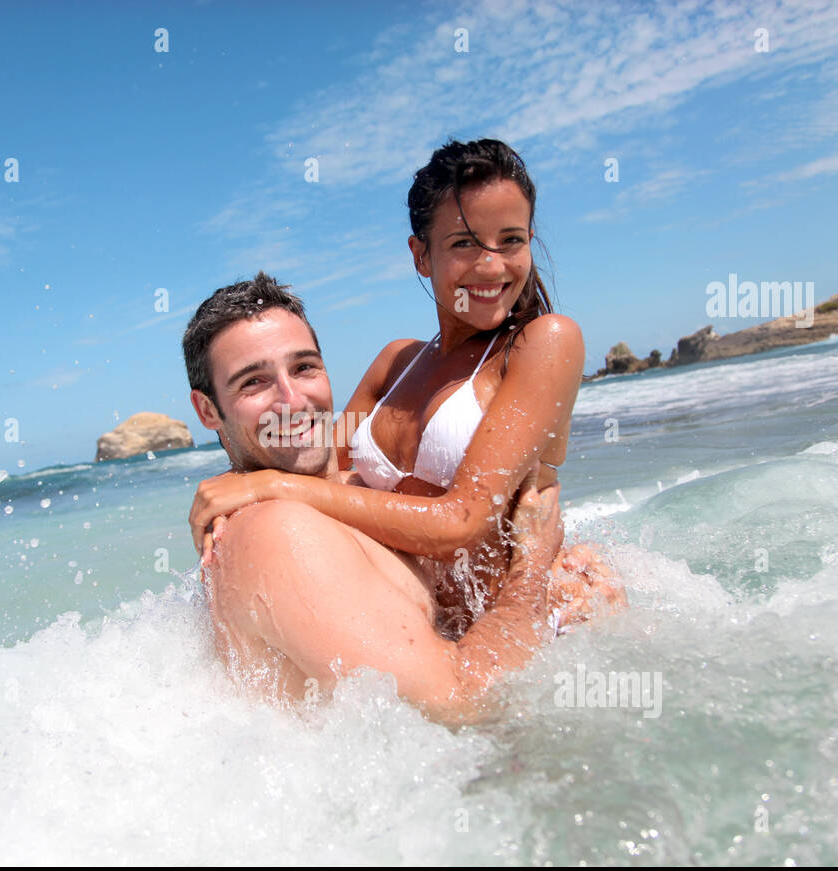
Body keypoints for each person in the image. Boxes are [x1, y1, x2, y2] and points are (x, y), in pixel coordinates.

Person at [189, 139, 607, 634]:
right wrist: (235, 500)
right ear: (421, 255)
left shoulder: (544, 344)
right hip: (433, 642)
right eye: (464, 243)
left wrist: (263, 486)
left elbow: (462, 522)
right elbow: (319, 472)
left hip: (537, 630)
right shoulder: (396, 363)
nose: (492, 265)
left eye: (511, 240)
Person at [183, 274, 621, 725]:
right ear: (208, 410)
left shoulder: (348, 493)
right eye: (253, 382)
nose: (292, 400)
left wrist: (561, 582)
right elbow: (459, 705)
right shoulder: (277, 534)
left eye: (304, 368)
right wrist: (531, 576)